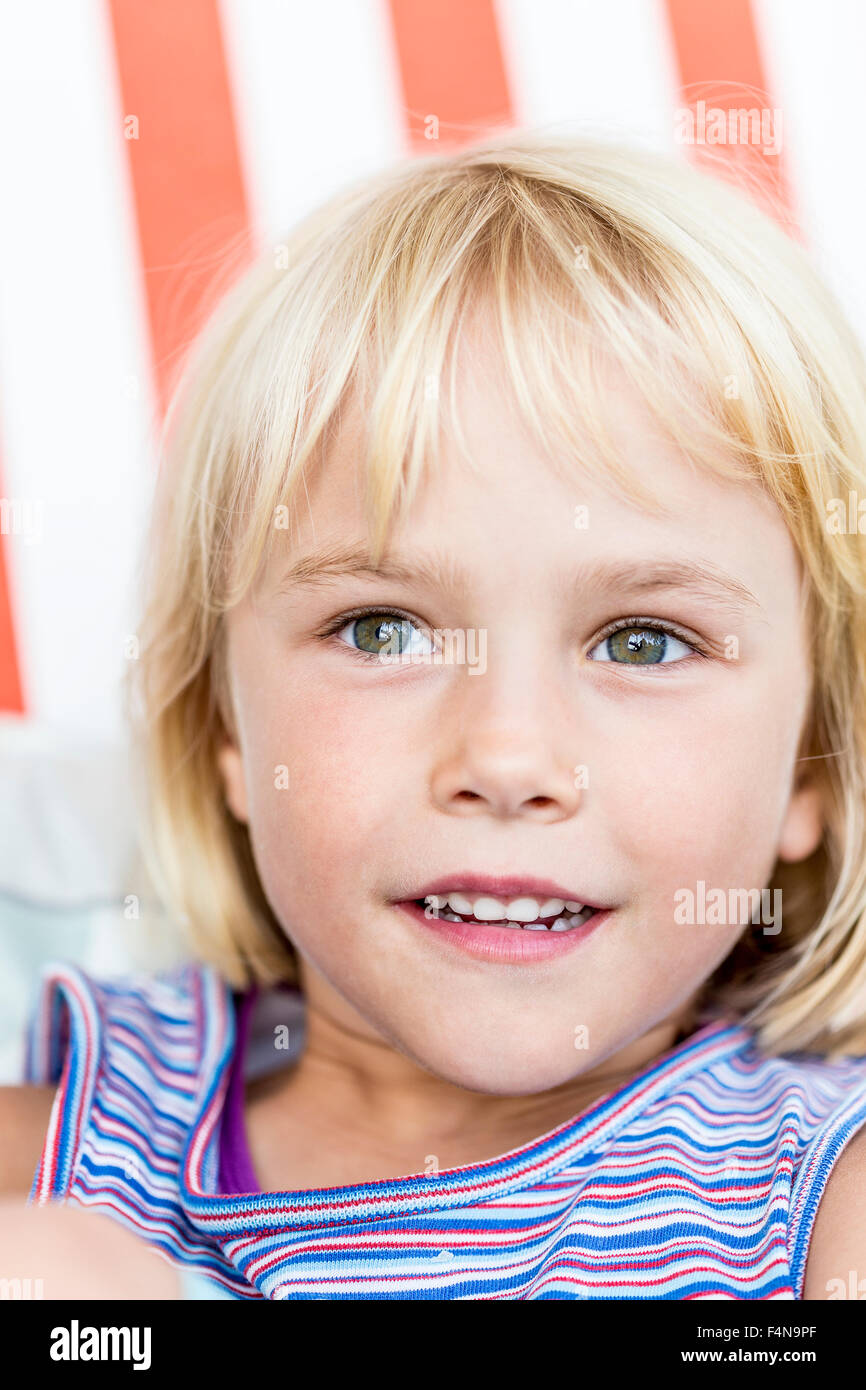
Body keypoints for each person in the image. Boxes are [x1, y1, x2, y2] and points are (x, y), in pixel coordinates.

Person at [3, 131, 866, 1300]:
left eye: (643, 641)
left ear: (812, 766)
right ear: (227, 731)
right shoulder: (72, 1152)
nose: (506, 756)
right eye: (380, 630)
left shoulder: (820, 1195)